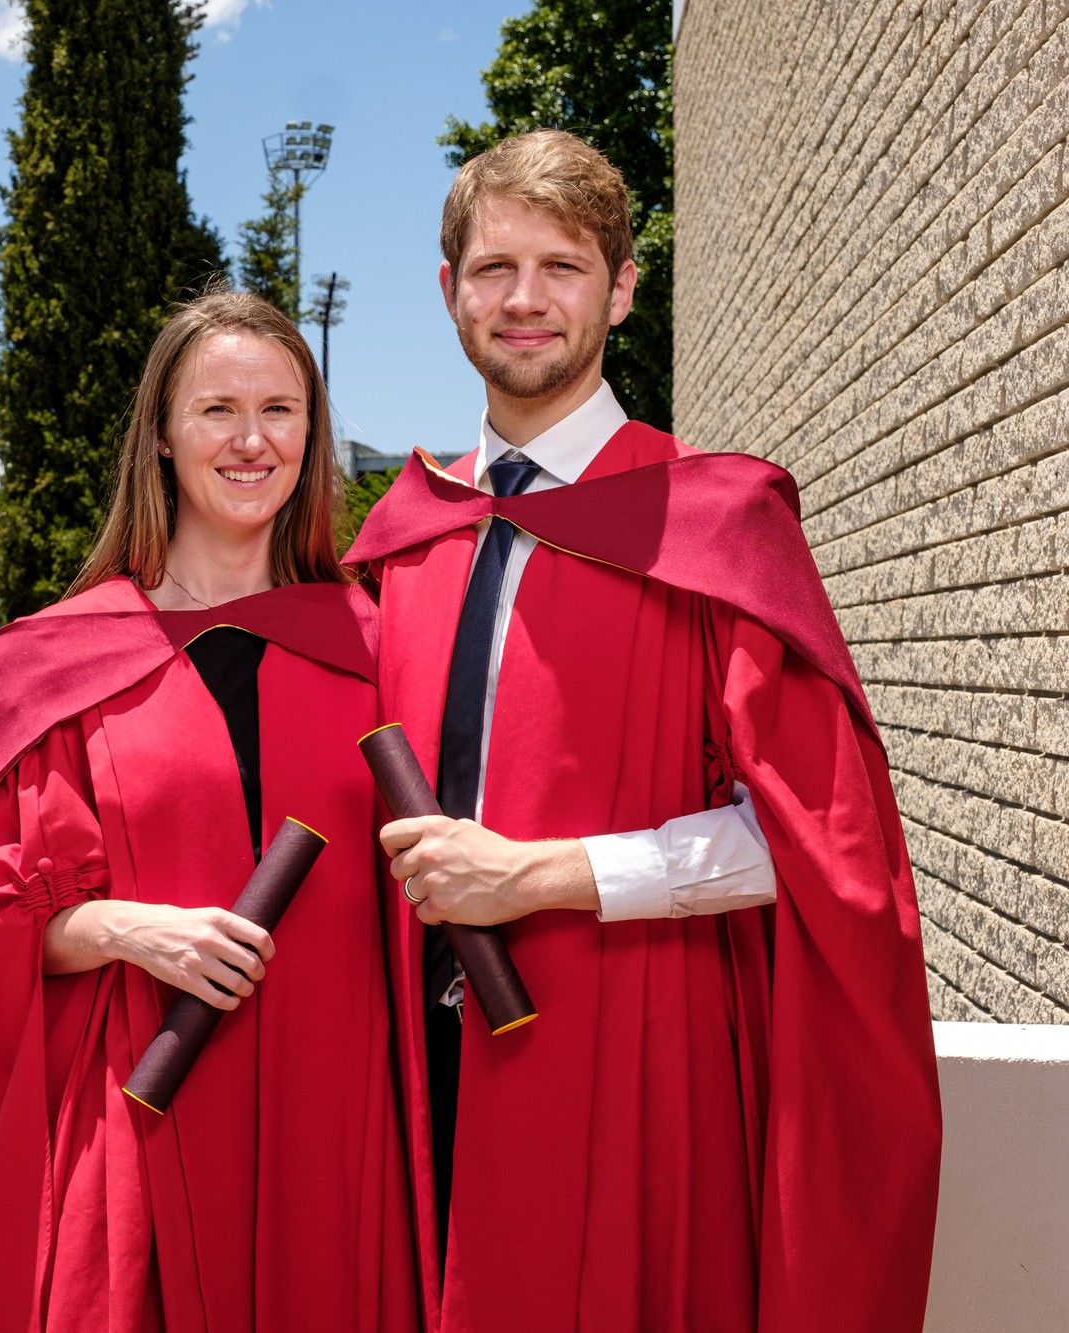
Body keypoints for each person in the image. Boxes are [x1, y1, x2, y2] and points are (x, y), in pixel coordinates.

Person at [343, 130, 941, 1329]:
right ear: (447, 291)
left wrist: (544, 875)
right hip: (414, 1076)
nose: (522, 300)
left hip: (634, 1057)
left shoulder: (715, 528)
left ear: (620, 288)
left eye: (560, 267)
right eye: (491, 267)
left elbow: (819, 845)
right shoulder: (397, 543)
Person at [0, 290, 422, 1330]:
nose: (250, 440)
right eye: (216, 409)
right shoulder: (50, 663)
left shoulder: (382, 648)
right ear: (159, 433)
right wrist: (118, 925)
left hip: (334, 1128)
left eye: (280, 411)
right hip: (140, 1111)